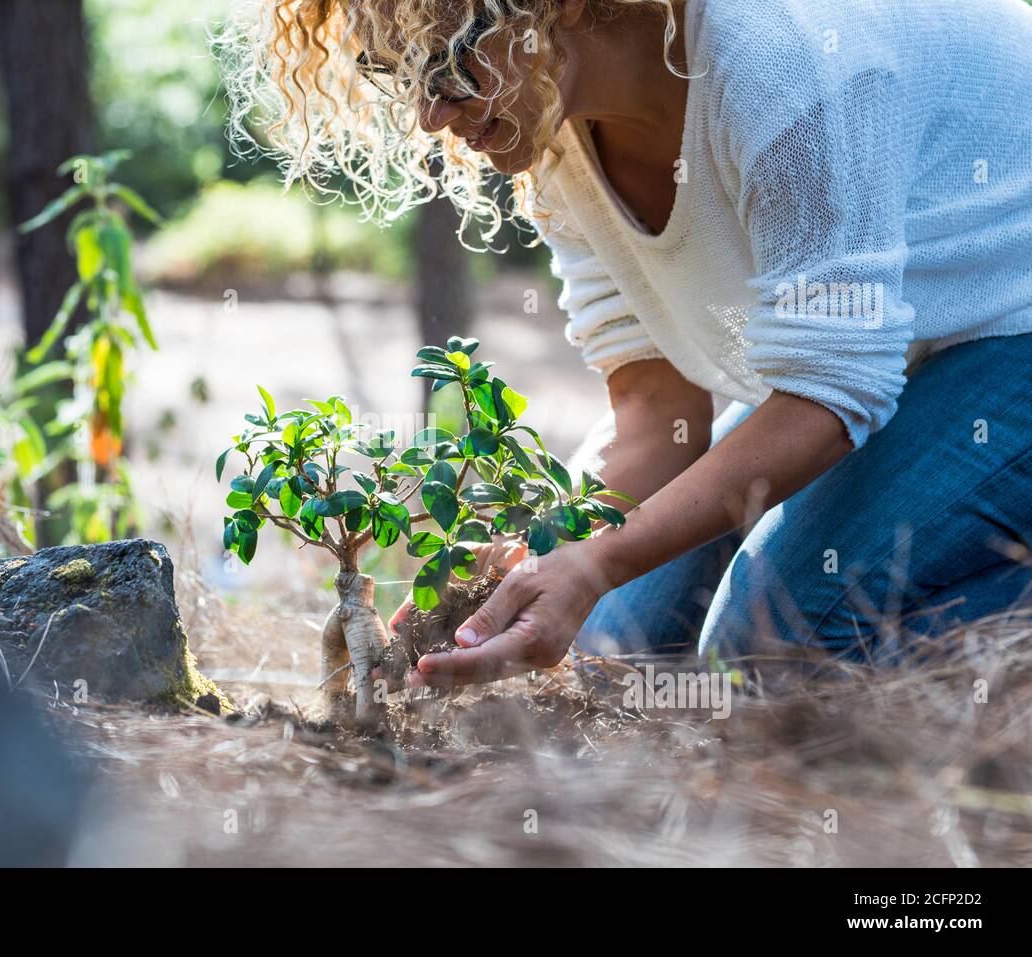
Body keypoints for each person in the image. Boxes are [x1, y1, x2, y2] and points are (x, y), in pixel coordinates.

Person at [218, 0, 1032, 685]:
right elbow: (656, 411)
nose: (432, 114)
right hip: (906, 357)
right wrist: (520, 558)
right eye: (399, 75)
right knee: (615, 652)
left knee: (765, 649)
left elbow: (831, 391)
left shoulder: (778, 63)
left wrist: (598, 561)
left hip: (1009, 332)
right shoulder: (555, 135)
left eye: (447, 66)